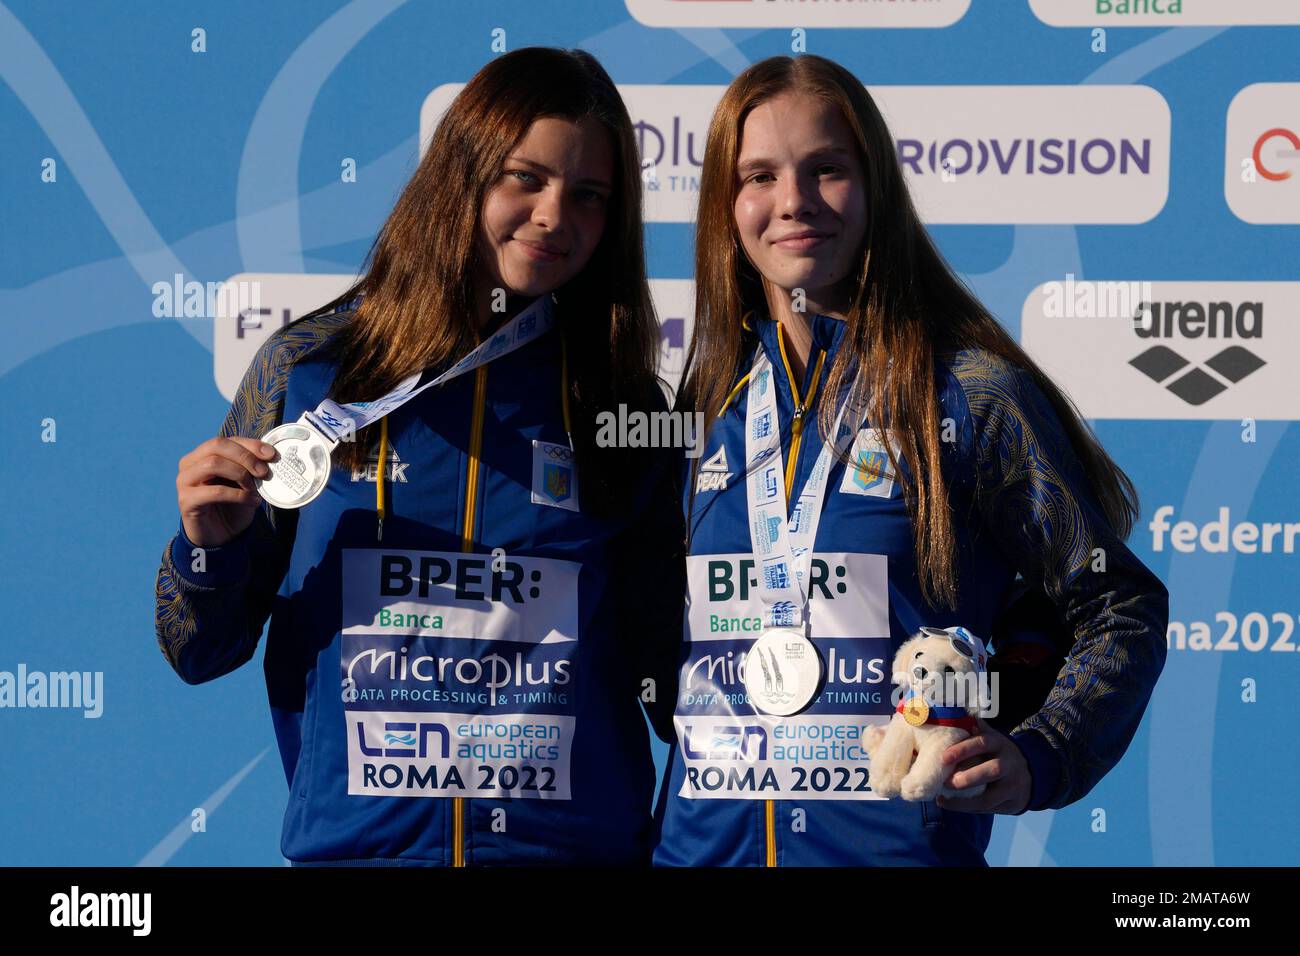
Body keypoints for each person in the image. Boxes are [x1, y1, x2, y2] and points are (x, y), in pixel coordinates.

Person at [155, 47, 683, 866]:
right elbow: (195, 645)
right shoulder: (312, 372)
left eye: (589, 196)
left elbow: (675, 673)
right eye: (525, 179)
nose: (553, 215)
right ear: (462, 175)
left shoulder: (621, 406)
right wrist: (209, 550)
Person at [650, 54, 1169, 866]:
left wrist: (1042, 754)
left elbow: (1117, 606)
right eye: (759, 175)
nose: (793, 202)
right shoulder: (706, 409)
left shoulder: (968, 395)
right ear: (727, 203)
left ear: (877, 189)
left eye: (827, 169)